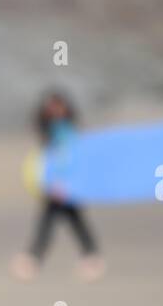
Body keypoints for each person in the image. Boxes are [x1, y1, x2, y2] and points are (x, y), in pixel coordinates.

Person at [11, 91, 105, 282]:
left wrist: (62, 182)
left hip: (63, 184)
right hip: (54, 183)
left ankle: (36, 257)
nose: (55, 110)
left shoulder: (64, 131)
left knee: (59, 221)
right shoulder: (50, 131)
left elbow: (67, 158)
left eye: (58, 106)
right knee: (67, 220)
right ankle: (89, 255)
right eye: (51, 107)